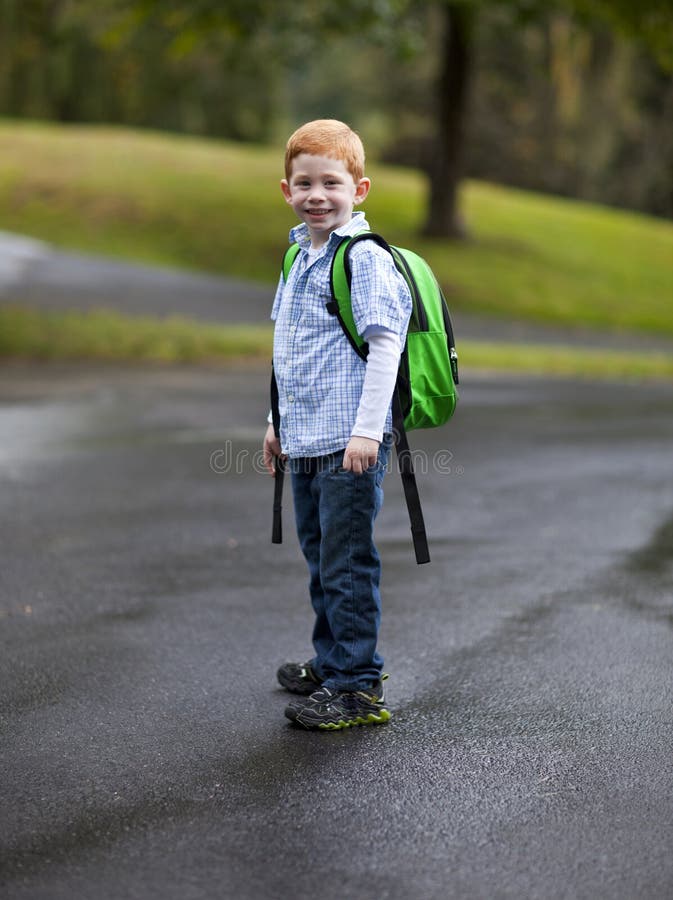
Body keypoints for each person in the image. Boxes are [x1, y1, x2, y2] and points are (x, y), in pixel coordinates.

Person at [262, 119, 412, 730]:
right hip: (304, 437)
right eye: (305, 183)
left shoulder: (365, 260)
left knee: (348, 564)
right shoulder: (300, 256)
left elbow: (386, 347)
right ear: (286, 189)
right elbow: (286, 347)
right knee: (322, 556)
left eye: (332, 182)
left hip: (349, 443)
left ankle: (357, 686)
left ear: (361, 188)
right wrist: (275, 421)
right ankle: (332, 662)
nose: (317, 194)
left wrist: (367, 432)